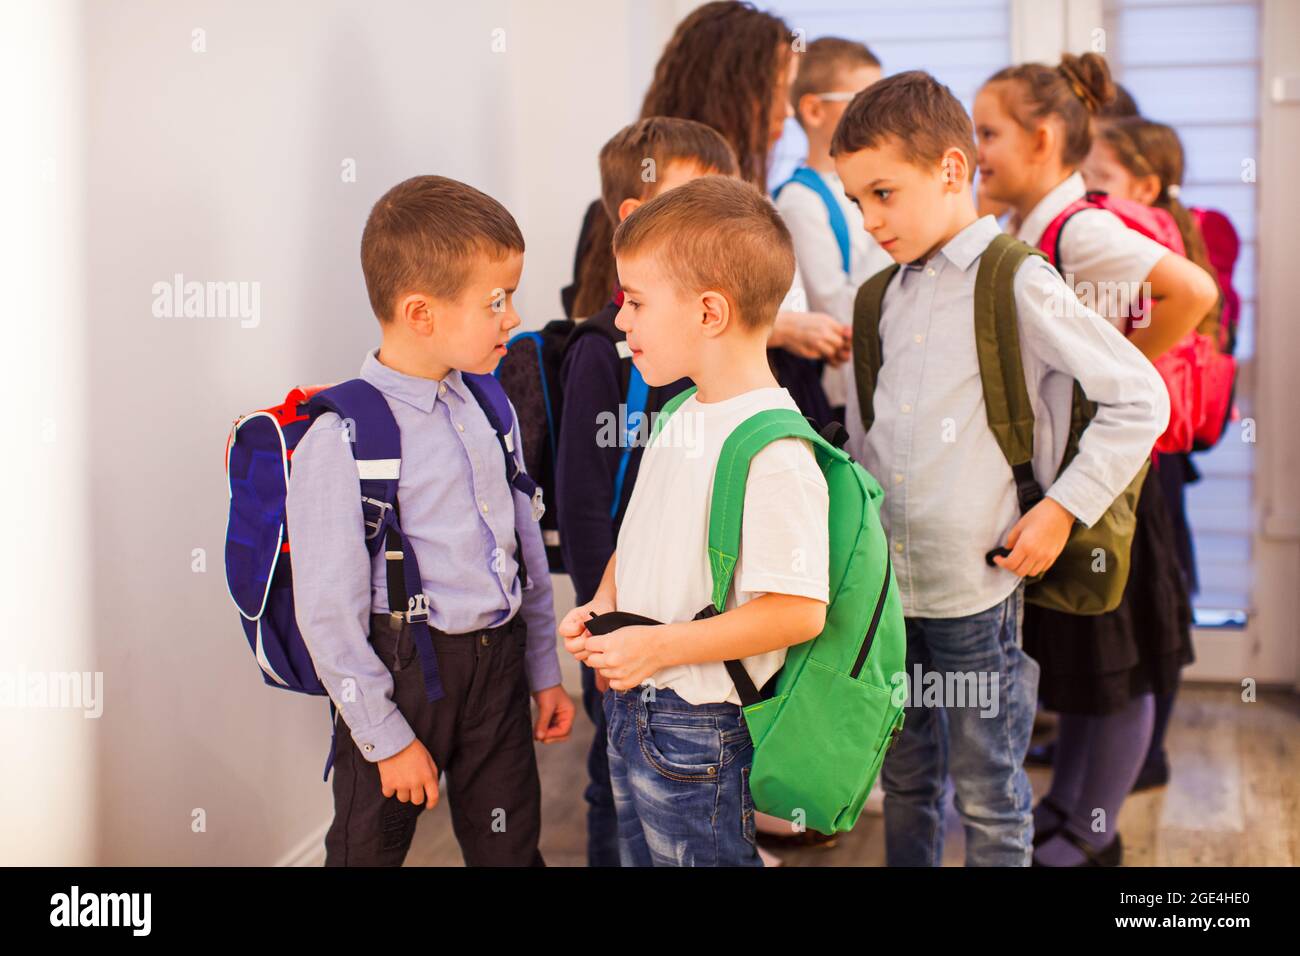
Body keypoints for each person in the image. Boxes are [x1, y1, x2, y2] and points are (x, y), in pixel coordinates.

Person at [835, 71, 1168, 866]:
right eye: (857, 202)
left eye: (884, 193)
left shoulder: (1016, 278)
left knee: (990, 792)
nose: (871, 219)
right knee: (907, 782)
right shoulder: (876, 296)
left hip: (977, 594)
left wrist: (1060, 509)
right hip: (888, 594)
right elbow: (864, 442)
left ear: (952, 170)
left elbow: (1139, 399)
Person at [285, 175, 574, 866]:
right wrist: (384, 736)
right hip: (404, 672)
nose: (513, 318)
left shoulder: (487, 403)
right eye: (496, 302)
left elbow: (522, 546)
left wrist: (541, 666)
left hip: (497, 668)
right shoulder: (342, 437)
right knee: (367, 853)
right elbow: (327, 612)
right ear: (421, 313)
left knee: (511, 847)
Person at [974, 53, 1218, 865]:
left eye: (987, 133)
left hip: (1112, 487)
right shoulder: (1032, 227)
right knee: (1085, 662)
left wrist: (1120, 363)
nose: (974, 150)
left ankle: (1092, 829)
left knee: (1123, 668)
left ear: (1042, 138)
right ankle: (1068, 806)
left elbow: (1192, 291)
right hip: (1077, 479)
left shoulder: (1081, 229)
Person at [559, 176, 831, 866]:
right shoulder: (681, 411)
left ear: (709, 312)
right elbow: (640, 534)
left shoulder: (774, 448)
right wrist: (604, 602)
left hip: (698, 728)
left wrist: (660, 648)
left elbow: (798, 613)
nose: (620, 321)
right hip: (637, 707)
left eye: (637, 303)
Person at [556, 116, 739, 866]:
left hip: (701, 629)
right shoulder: (605, 353)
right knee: (617, 779)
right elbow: (582, 500)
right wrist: (607, 625)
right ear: (637, 218)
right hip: (625, 625)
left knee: (694, 782)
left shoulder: (713, 352)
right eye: (702, 200)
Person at [563, 0, 850, 422]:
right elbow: (612, 340)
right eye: (776, 91)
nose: (786, 112)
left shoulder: (759, 208)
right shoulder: (624, 226)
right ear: (733, 91)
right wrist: (781, 330)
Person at [774, 37, 891, 423]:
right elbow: (839, 315)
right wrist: (892, 216)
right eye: (864, 98)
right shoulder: (798, 201)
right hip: (840, 398)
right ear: (813, 109)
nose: (880, 112)